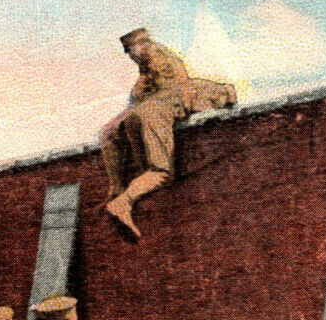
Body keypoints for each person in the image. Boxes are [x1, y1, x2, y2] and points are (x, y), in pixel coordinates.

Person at [99, 28, 237, 240]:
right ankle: (122, 201)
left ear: (144, 44)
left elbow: (173, 94)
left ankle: (118, 195)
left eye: (132, 50)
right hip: (148, 118)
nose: (132, 56)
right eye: (129, 52)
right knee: (159, 172)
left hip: (143, 118)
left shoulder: (163, 66)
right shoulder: (151, 72)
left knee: (142, 167)